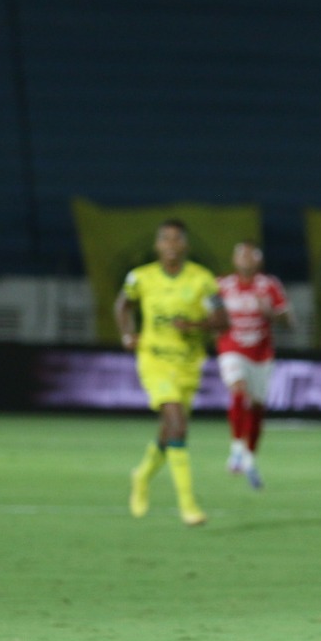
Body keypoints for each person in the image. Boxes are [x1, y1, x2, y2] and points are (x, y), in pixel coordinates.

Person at [115, 219, 225, 526]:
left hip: (188, 364)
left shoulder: (203, 281)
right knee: (177, 421)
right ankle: (188, 505)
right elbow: (123, 305)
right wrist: (127, 334)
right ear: (157, 245)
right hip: (154, 360)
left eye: (177, 240)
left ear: (186, 246)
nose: (171, 245)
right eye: (165, 239)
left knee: (169, 430)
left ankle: (141, 476)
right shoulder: (141, 277)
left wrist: (194, 326)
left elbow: (222, 320)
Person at [216, 241, 295, 487]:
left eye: (251, 255)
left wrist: (271, 313)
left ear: (258, 260)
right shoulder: (221, 286)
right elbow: (211, 318)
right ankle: (237, 448)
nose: (246, 259)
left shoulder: (269, 286)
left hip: (261, 354)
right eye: (241, 254)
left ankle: (249, 457)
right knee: (238, 391)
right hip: (232, 349)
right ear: (234, 260)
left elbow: (290, 323)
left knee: (258, 407)